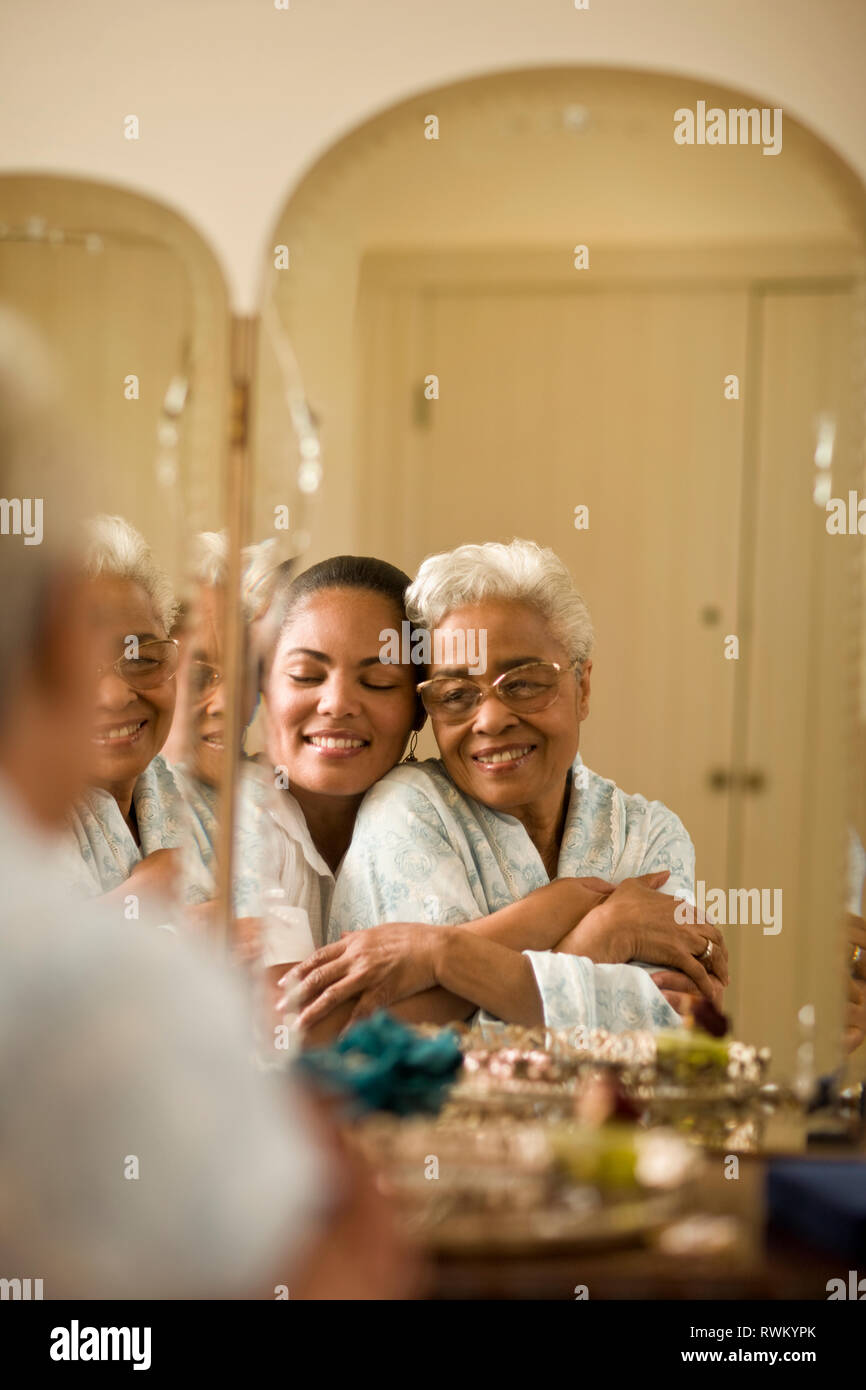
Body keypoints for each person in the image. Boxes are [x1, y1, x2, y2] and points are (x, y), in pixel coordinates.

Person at [0, 309, 412, 1300]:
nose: (119, 687)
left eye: (145, 653)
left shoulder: (204, 811)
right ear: (59, 634)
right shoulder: (83, 966)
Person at [290, 539, 729, 1034]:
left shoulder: (649, 833)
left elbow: (665, 1023)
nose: (492, 719)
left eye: (523, 683)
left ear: (582, 687)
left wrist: (447, 958)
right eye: (456, 694)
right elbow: (416, 1044)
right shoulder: (406, 810)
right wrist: (601, 938)